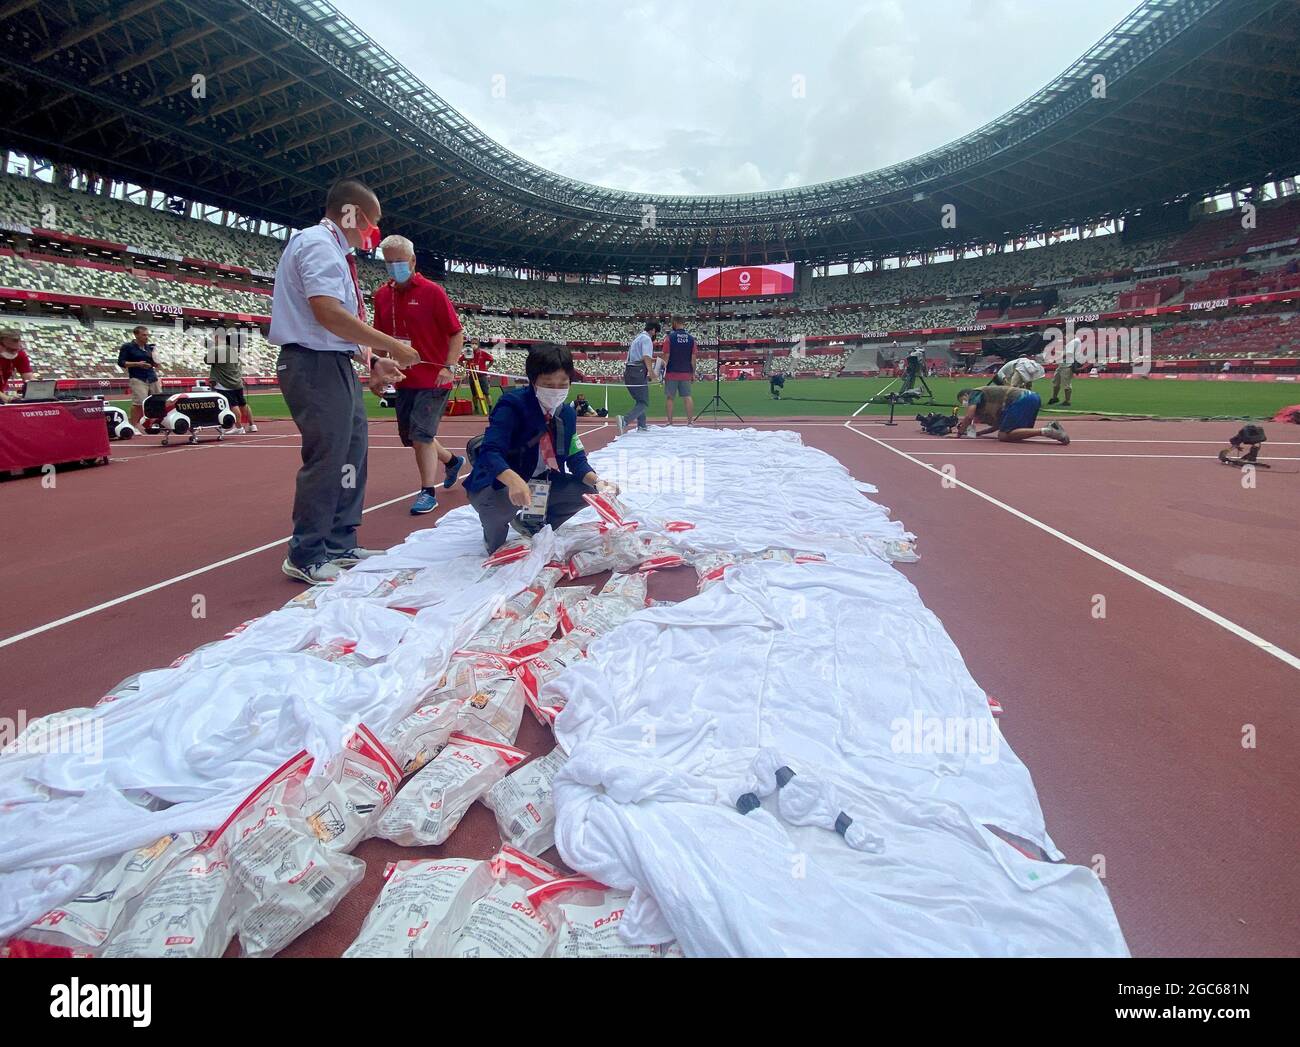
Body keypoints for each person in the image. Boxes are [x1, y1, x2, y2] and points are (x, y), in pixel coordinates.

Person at [268, 177, 419, 584]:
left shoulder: (335, 251)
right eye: (375, 222)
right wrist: (394, 346)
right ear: (353, 213)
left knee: (352, 450)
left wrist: (372, 362)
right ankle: (306, 551)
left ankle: (338, 540)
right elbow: (327, 314)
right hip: (313, 365)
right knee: (329, 456)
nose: (376, 232)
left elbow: (336, 329)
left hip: (333, 361)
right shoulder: (317, 244)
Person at [465, 344, 618, 553]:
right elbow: (490, 451)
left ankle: (529, 523)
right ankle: (492, 530)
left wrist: (599, 482)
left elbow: (575, 457)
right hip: (501, 483)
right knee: (498, 548)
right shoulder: (512, 405)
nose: (555, 391)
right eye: (548, 384)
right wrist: (514, 481)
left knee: (589, 491)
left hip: (540, 482)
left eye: (563, 384)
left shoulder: (567, 414)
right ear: (533, 381)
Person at [372, 235, 466, 515]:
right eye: (388, 262)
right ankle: (451, 462)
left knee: (422, 434)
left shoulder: (432, 292)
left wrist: (447, 367)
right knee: (413, 434)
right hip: (403, 379)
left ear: (412, 261)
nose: (394, 267)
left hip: (434, 377)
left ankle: (427, 491)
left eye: (399, 261)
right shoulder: (381, 295)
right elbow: (379, 338)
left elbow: (456, 332)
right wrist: (377, 369)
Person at [953, 386, 1070, 444]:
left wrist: (959, 432)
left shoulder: (975, 393)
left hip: (1019, 399)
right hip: (1032, 397)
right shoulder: (989, 405)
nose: (964, 403)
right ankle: (1054, 431)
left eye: (962, 400)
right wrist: (980, 433)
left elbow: (969, 416)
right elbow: (999, 425)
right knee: (1015, 433)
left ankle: (1047, 431)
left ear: (966, 395)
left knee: (1003, 436)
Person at [206, 329, 257, 433]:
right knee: (243, 404)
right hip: (236, 381)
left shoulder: (217, 349)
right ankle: (252, 425)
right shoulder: (232, 349)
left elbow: (207, 360)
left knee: (233, 405)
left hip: (224, 383)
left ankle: (238, 427)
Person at [617, 320, 658, 434]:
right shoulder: (646, 339)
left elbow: (639, 357)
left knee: (640, 400)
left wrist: (655, 360)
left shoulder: (637, 338)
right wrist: (651, 371)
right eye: (656, 333)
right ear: (653, 330)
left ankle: (642, 425)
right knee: (644, 403)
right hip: (638, 371)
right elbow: (645, 356)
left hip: (629, 370)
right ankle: (624, 421)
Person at [117, 326, 162, 426]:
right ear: (136, 335)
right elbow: (121, 362)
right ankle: (133, 425)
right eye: (144, 335)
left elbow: (156, 364)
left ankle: (154, 422)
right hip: (138, 377)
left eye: (147, 335)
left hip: (152, 377)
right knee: (139, 403)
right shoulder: (128, 347)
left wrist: (156, 358)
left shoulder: (149, 348)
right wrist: (138, 364)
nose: (146, 337)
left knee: (157, 400)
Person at [662, 317, 696, 425]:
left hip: (671, 372)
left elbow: (666, 356)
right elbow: (693, 358)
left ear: (675, 323)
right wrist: (693, 373)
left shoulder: (669, 338)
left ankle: (670, 422)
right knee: (687, 397)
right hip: (686, 372)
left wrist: (662, 372)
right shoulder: (691, 339)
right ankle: (690, 422)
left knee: (670, 398)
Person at [0, 328, 36, 402]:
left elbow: (29, 379)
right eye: (11, 350)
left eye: (17, 349)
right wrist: (8, 399)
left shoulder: (19, 354)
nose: (14, 353)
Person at [1048, 336, 1081, 406]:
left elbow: (1068, 354)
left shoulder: (1074, 342)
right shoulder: (1071, 343)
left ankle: (1067, 401)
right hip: (1062, 365)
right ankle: (1055, 397)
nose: (1065, 338)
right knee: (1056, 382)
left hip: (1067, 366)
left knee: (1066, 384)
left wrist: (1056, 358)